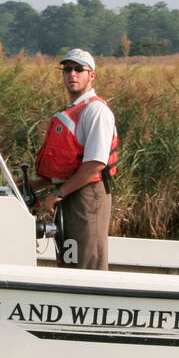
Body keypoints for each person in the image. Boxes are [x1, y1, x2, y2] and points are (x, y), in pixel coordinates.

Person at [32, 48, 118, 270]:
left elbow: (94, 165)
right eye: (67, 69)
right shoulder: (71, 110)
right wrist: (33, 185)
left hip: (88, 197)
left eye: (79, 69)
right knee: (69, 260)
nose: (72, 74)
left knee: (88, 264)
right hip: (69, 195)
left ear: (91, 75)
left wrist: (58, 194)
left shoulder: (96, 111)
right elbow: (69, 166)